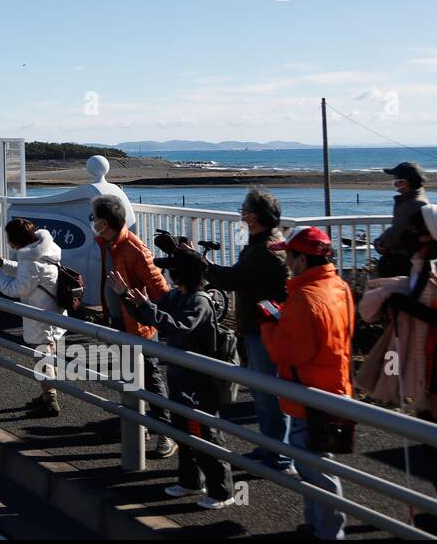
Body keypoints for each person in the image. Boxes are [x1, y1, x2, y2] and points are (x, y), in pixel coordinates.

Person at [111, 249, 236, 510]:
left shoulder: (199, 301)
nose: (168, 272)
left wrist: (145, 306)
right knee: (182, 428)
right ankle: (191, 481)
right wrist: (126, 295)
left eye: (172, 268)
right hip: (181, 374)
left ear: (182, 273)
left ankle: (222, 491)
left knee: (205, 432)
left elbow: (178, 327)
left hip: (200, 379)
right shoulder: (177, 295)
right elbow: (149, 316)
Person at [187, 188, 294, 474]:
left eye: (243, 210)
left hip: (266, 330)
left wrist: (202, 264)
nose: (240, 214)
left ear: (254, 217)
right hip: (261, 326)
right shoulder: (265, 241)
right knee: (263, 392)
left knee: (270, 393)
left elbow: (233, 279)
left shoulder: (264, 250)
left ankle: (281, 457)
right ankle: (272, 447)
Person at [261, 226, 355, 540]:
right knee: (317, 465)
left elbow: (287, 352)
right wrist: (287, 318)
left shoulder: (304, 297)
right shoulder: (338, 286)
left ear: (301, 260)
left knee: (316, 469)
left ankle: (329, 533)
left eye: (289, 255)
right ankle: (315, 524)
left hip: (309, 394)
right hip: (336, 386)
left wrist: (269, 325)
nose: (286, 261)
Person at [357, 203, 437, 534]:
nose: (410, 234)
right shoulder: (422, 266)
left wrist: (404, 303)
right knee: (431, 448)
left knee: (435, 450)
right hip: (424, 370)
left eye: (417, 229)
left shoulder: (435, 268)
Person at [92, 194, 176, 458]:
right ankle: (140, 425)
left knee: (150, 377)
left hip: (139, 326)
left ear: (104, 223)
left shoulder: (134, 248)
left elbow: (161, 290)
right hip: (119, 321)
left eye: (94, 218)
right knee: (128, 374)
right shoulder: (108, 243)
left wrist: (130, 295)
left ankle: (166, 432)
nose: (92, 222)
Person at [0, 218, 66, 413]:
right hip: (51, 312)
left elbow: (15, 288)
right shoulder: (42, 250)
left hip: (40, 315)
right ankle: (47, 393)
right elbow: (25, 272)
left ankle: (50, 400)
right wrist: (3, 264)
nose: (8, 242)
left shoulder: (32, 262)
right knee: (46, 354)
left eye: (9, 238)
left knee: (42, 355)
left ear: (16, 240)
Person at [375, 162, 431, 277]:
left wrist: (379, 243)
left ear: (405, 182)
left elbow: (397, 234)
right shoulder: (411, 200)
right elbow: (397, 227)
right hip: (406, 260)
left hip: (402, 262)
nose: (394, 183)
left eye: (396, 180)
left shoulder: (414, 204)